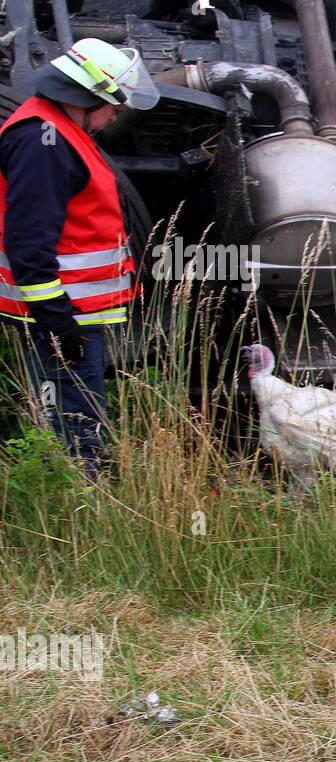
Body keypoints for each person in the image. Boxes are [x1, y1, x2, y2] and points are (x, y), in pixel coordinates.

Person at [0, 38, 157, 482]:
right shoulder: (43, 142)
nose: (114, 114)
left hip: (73, 313)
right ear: (86, 97)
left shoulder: (55, 130)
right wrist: (57, 320)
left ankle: (74, 493)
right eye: (111, 103)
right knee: (72, 425)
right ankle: (75, 505)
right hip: (65, 318)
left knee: (74, 416)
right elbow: (29, 241)